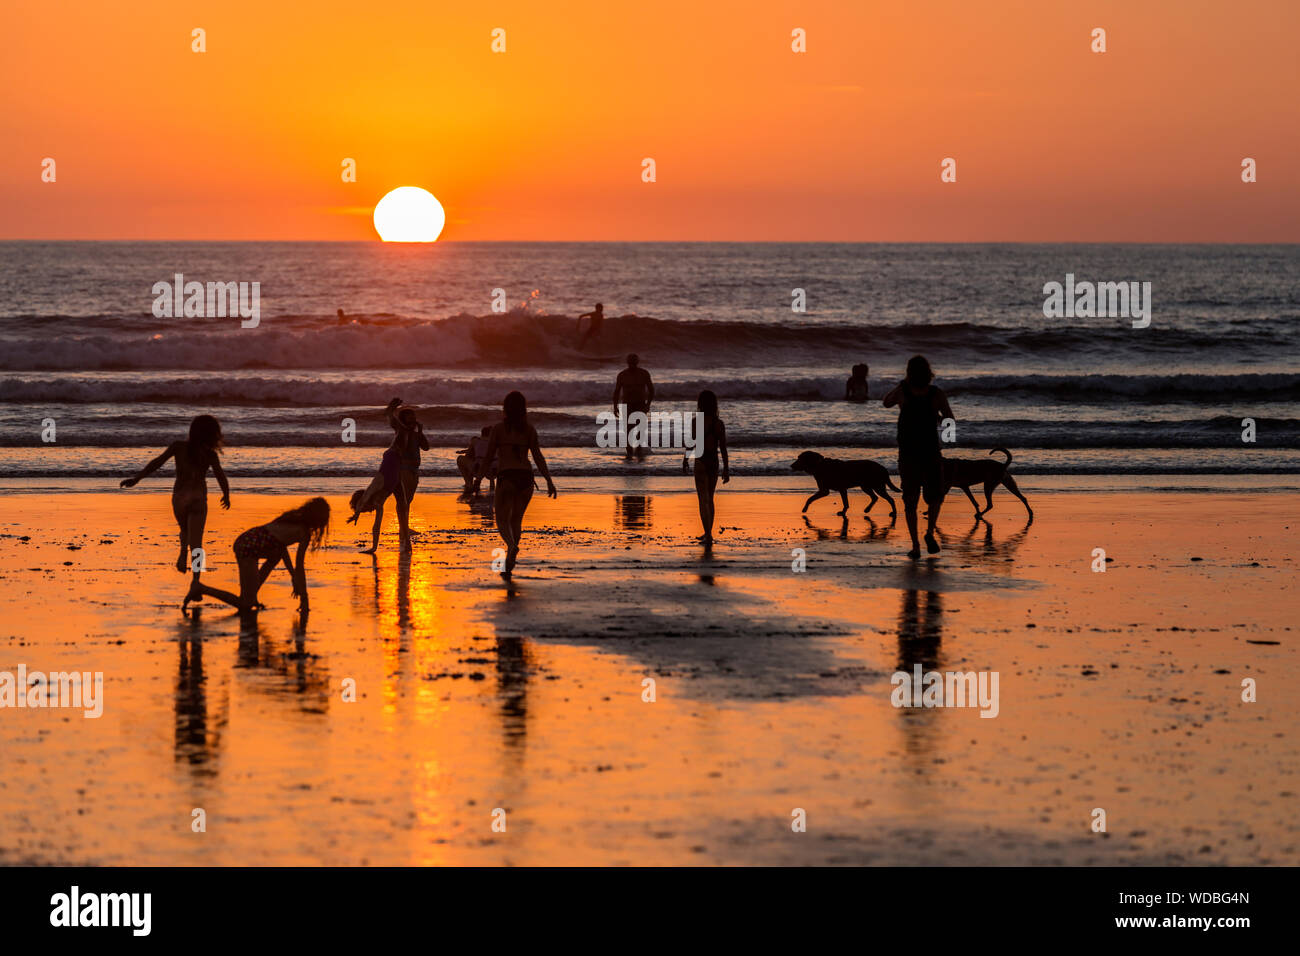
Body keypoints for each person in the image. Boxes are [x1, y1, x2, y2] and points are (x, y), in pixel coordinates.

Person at [120, 414, 230, 588]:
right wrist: (226, 494)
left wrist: (137, 478)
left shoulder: (178, 447)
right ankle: (196, 581)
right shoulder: (210, 455)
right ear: (212, 434)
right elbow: (220, 476)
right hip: (199, 498)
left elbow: (156, 463)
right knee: (197, 543)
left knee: (185, 529)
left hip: (180, 498)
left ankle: (181, 553)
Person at [184, 497, 329, 615]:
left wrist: (293, 577)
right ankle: (201, 588)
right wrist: (304, 597)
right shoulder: (303, 532)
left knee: (276, 554)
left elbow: (281, 549)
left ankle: (253, 594)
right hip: (248, 547)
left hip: (248, 539)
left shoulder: (291, 518)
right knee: (245, 604)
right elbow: (300, 566)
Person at [474, 391, 556, 577]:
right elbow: (538, 457)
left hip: (507, 476)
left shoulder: (499, 429)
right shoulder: (529, 429)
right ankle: (510, 560)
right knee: (516, 520)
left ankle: (511, 547)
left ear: (505, 408)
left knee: (501, 520)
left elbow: (488, 458)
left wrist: (477, 480)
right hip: (526, 478)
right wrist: (549, 481)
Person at [882, 356, 953, 559]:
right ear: (929, 372)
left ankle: (915, 546)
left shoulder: (903, 391)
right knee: (935, 496)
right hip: (930, 451)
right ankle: (929, 532)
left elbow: (886, 403)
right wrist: (943, 427)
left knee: (910, 500)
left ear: (909, 372)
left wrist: (899, 385)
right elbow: (950, 419)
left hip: (908, 453)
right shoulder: (935, 393)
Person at [347, 398, 428, 553]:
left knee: (405, 504)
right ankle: (405, 538)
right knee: (403, 505)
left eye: (414, 418)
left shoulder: (413, 434)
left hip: (395, 469)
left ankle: (406, 539)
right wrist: (357, 512)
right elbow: (368, 500)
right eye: (410, 418)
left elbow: (369, 503)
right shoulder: (402, 430)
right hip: (397, 467)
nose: (413, 421)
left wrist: (357, 514)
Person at [687, 390, 729, 545]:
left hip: (700, 461)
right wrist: (726, 468)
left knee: (701, 500)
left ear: (700, 404)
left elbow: (691, 443)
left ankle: (708, 534)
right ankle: (708, 533)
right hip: (713, 461)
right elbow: (723, 448)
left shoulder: (695, 421)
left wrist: (685, 460)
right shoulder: (718, 424)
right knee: (710, 499)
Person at [612, 353, 655, 459]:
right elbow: (617, 392)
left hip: (640, 404)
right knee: (628, 429)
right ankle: (630, 452)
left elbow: (651, 390)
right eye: (630, 362)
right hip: (627, 404)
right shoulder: (622, 375)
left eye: (634, 362)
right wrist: (615, 407)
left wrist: (648, 404)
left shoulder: (644, 373)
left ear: (637, 362)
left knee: (641, 428)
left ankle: (639, 450)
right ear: (628, 362)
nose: (632, 364)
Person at [457, 426, 497, 494]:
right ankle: (492, 484)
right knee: (494, 461)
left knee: (460, 459)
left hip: (478, 470)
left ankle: (468, 483)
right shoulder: (497, 442)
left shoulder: (476, 441)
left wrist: (465, 451)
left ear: (482, 433)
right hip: (493, 472)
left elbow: (469, 454)